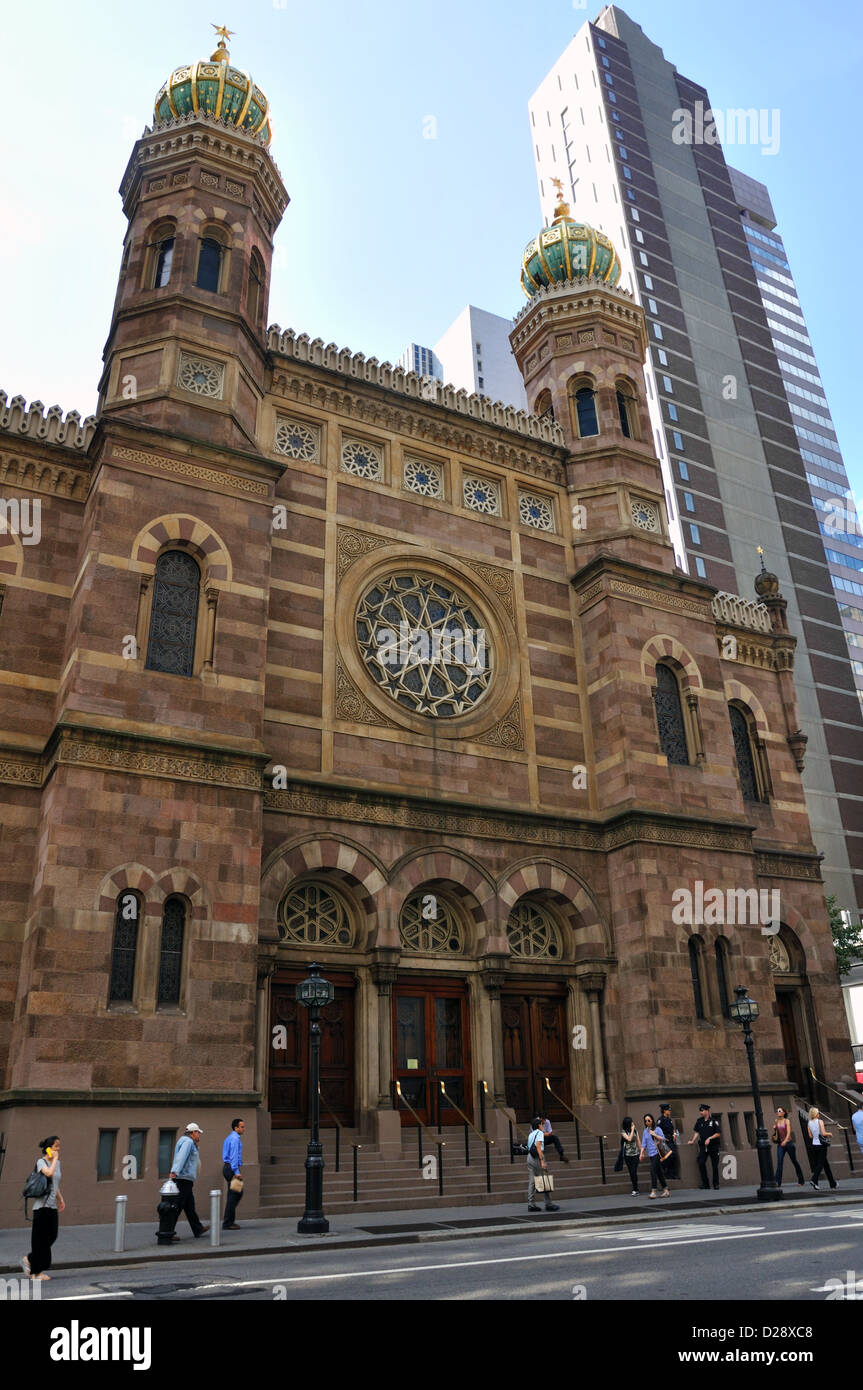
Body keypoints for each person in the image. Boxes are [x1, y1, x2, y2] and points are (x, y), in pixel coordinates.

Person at [22, 1135, 64, 1281]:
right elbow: (49, 1174)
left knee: (52, 1236)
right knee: (39, 1240)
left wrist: (61, 1199)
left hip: (52, 1206)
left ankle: (30, 1259)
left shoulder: (57, 1164)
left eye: (59, 1146)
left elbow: (54, 1184)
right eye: (56, 1146)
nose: (58, 1149)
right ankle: (36, 1273)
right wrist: (54, 1159)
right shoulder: (41, 1162)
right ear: (48, 1148)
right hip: (41, 1207)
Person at [170, 1122, 209, 1238]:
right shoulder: (188, 1142)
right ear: (193, 1133)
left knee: (189, 1206)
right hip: (183, 1178)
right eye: (198, 1133)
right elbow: (181, 1157)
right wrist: (175, 1171)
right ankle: (168, 1231)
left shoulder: (186, 1141)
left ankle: (198, 1229)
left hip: (186, 1178)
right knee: (178, 1206)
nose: (199, 1135)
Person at [526, 1115, 560, 1213]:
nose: (542, 1125)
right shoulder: (540, 1133)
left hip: (529, 1157)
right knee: (544, 1179)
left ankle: (531, 1204)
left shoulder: (531, 1134)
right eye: (541, 1124)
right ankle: (548, 1204)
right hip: (537, 1157)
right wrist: (542, 1161)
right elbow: (538, 1146)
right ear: (539, 1125)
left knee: (532, 1181)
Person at [688, 1103, 721, 1189]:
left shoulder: (714, 1121)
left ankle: (716, 1184)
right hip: (703, 1146)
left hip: (713, 1146)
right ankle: (705, 1183)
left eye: (702, 1110)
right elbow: (697, 1132)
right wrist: (692, 1141)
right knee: (701, 1162)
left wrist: (710, 1138)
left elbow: (718, 1134)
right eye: (700, 1111)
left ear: (707, 1111)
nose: (701, 1112)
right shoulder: (699, 1121)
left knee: (714, 1165)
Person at [639, 1112, 670, 1199]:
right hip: (651, 1154)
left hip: (658, 1153)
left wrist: (655, 1134)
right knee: (659, 1172)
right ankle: (666, 1191)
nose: (647, 1122)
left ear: (652, 1120)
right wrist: (641, 1153)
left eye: (648, 1120)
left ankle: (654, 1191)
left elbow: (663, 1139)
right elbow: (643, 1144)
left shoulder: (657, 1129)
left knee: (652, 1171)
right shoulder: (645, 1131)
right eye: (645, 1121)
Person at [773, 1106, 805, 1187]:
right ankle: (777, 1182)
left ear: (783, 1113)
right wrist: (775, 1129)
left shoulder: (786, 1121)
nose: (778, 1112)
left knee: (794, 1161)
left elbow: (788, 1132)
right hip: (780, 1144)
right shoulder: (776, 1121)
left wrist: (785, 1141)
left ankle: (801, 1180)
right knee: (779, 1162)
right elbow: (777, 1135)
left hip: (789, 1143)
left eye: (780, 1111)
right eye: (777, 1111)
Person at [222, 1118, 245, 1230]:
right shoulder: (235, 1139)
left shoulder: (229, 1138)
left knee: (234, 1194)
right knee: (235, 1194)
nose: (243, 1129)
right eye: (242, 1127)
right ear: (236, 1128)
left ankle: (228, 1220)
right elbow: (233, 1156)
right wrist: (236, 1172)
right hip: (231, 1168)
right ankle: (228, 1222)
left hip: (227, 1168)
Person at [807, 1107, 837, 1191]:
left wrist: (816, 1134)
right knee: (820, 1164)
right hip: (821, 1145)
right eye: (818, 1112)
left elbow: (810, 1136)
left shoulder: (809, 1123)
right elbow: (823, 1133)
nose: (819, 1114)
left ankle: (832, 1183)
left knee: (825, 1165)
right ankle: (813, 1179)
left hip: (814, 1145)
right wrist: (830, 1133)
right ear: (816, 1114)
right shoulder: (820, 1121)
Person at [657, 1102, 681, 1180]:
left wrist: (674, 1134)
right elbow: (657, 1131)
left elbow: (672, 1129)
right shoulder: (660, 1120)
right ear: (664, 1111)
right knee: (668, 1157)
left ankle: (672, 1174)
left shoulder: (669, 1119)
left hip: (671, 1141)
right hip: (664, 1142)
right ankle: (666, 1173)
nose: (669, 1111)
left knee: (673, 1156)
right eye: (668, 1110)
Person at [621, 1116, 640, 1194]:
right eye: (631, 1122)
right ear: (628, 1123)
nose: (633, 1123)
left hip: (636, 1154)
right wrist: (632, 1130)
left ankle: (635, 1189)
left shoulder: (635, 1130)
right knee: (631, 1172)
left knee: (633, 1171)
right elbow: (629, 1139)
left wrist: (641, 1151)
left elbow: (638, 1141)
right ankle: (635, 1188)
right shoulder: (623, 1132)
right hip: (627, 1155)